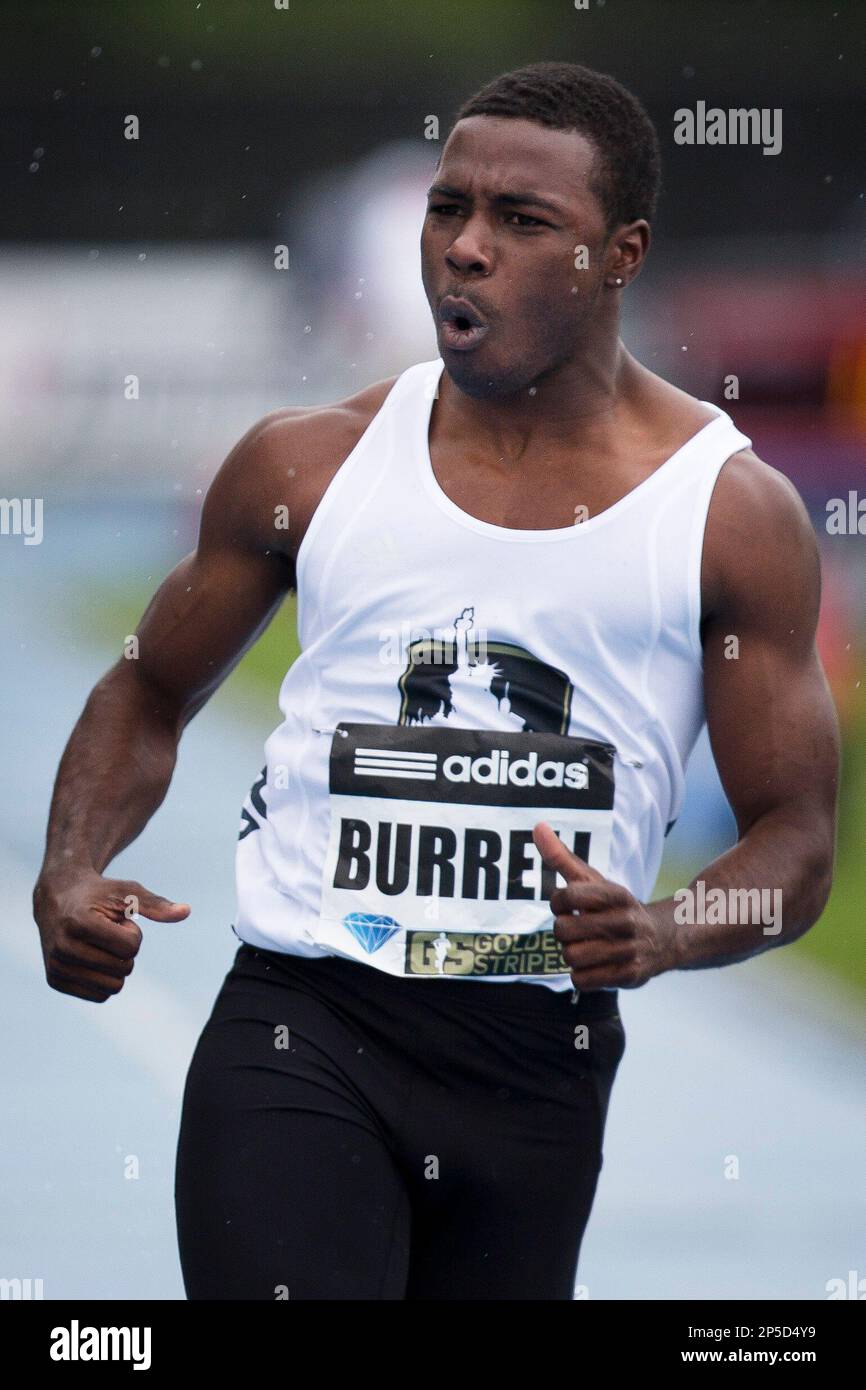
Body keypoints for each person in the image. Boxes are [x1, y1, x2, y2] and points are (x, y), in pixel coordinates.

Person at [33, 61, 839, 1301]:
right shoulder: (308, 465)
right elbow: (146, 691)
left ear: (617, 255)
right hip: (300, 1026)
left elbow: (794, 838)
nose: (464, 249)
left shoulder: (727, 515)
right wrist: (73, 868)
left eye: (521, 223)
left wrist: (667, 931)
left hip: (537, 1064)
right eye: (446, 208)